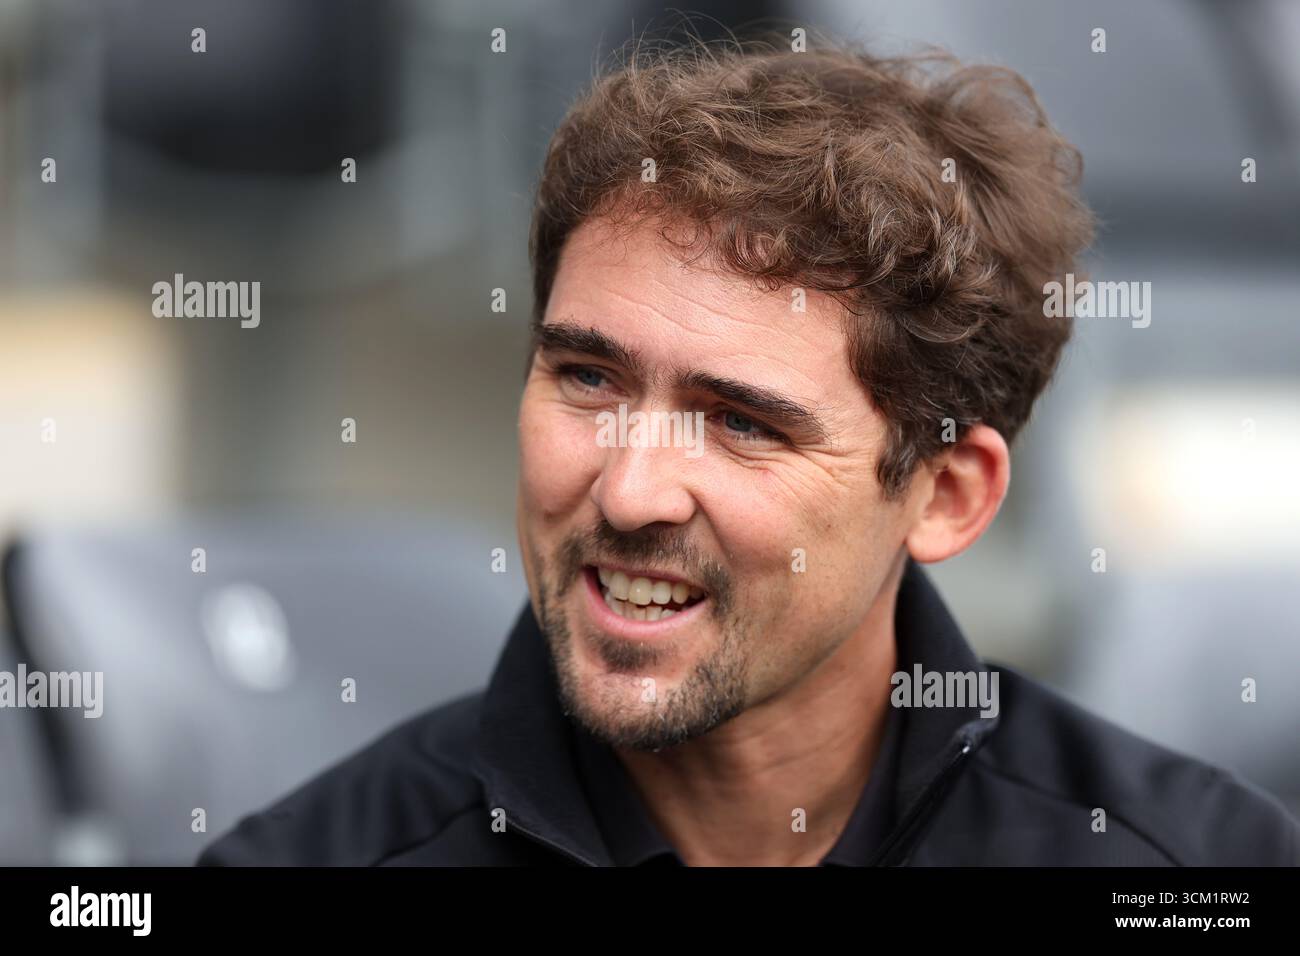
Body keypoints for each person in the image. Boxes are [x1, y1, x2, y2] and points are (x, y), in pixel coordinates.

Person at [198, 34, 1299, 866]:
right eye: (588, 377)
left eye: (741, 422)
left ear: (947, 493)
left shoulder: (1194, 866)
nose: (629, 489)